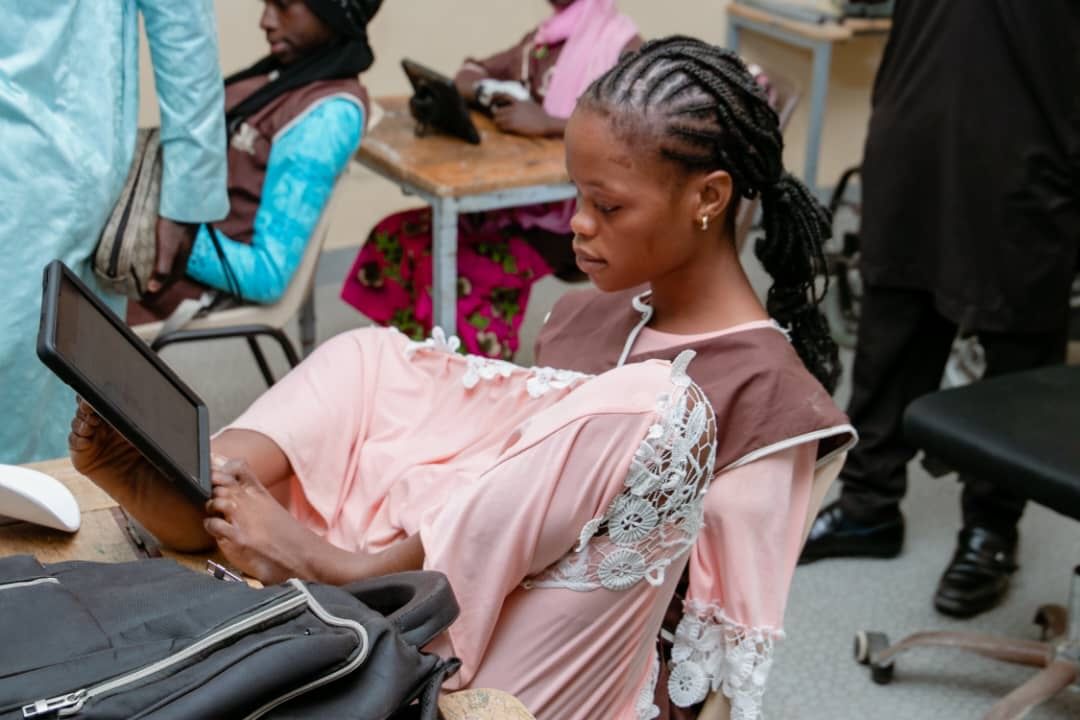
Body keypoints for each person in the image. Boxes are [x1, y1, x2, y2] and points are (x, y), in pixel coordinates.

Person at [70, 37, 855, 720]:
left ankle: (337, 568)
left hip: (565, 662)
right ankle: (196, 488)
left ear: (708, 197)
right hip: (474, 577)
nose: (578, 224)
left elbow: (717, 672)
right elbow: (514, 480)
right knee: (369, 356)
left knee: (648, 406)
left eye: (608, 207)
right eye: (576, 194)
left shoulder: (768, 398)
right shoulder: (586, 315)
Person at [800, 0, 1080, 619]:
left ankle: (990, 530)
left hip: (1030, 145)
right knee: (891, 331)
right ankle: (869, 506)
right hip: (917, 129)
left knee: (1017, 349)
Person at [340, 0, 642, 359]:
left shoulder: (624, 46)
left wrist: (549, 123)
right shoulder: (543, 40)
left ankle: (470, 377)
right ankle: (414, 363)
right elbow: (470, 73)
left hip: (567, 222)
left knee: (458, 273)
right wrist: (490, 92)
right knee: (395, 235)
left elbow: (634, 130)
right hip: (507, 201)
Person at [0, 1, 228, 463]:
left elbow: (182, 22)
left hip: (44, 170)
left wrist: (188, 193)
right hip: (45, 167)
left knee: (29, 412)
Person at [129, 0, 380, 324]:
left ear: (334, 14)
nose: (266, 21)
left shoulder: (327, 117)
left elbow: (267, 275)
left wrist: (150, 224)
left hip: (176, 288)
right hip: (149, 260)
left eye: (283, 5)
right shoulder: (284, 75)